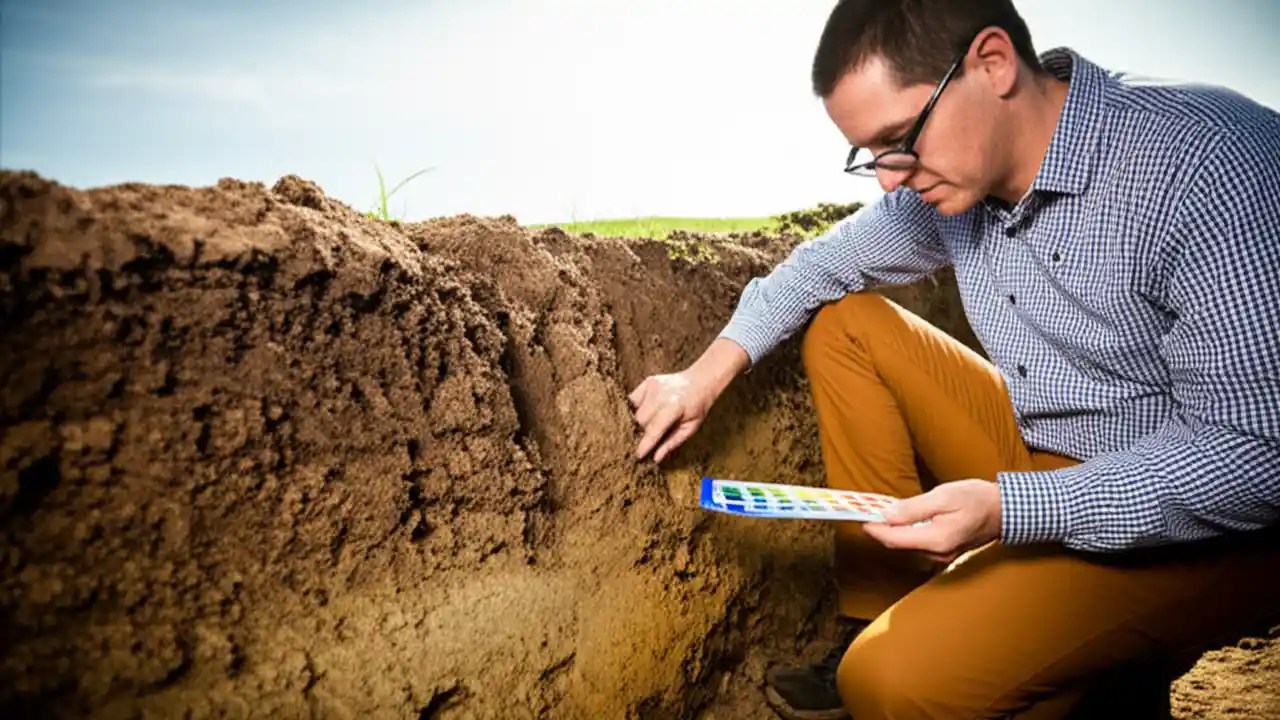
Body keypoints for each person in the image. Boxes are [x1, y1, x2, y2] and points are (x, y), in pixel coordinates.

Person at [627, 0, 1280, 717]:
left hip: (1209, 519)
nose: (888, 179)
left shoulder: (1211, 163)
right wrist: (704, 373)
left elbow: (1254, 457)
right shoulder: (953, 182)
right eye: (869, 156)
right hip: (1044, 452)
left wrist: (1013, 509)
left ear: (992, 64)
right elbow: (822, 266)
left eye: (897, 139)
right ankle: (889, 616)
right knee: (847, 324)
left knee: (889, 684)